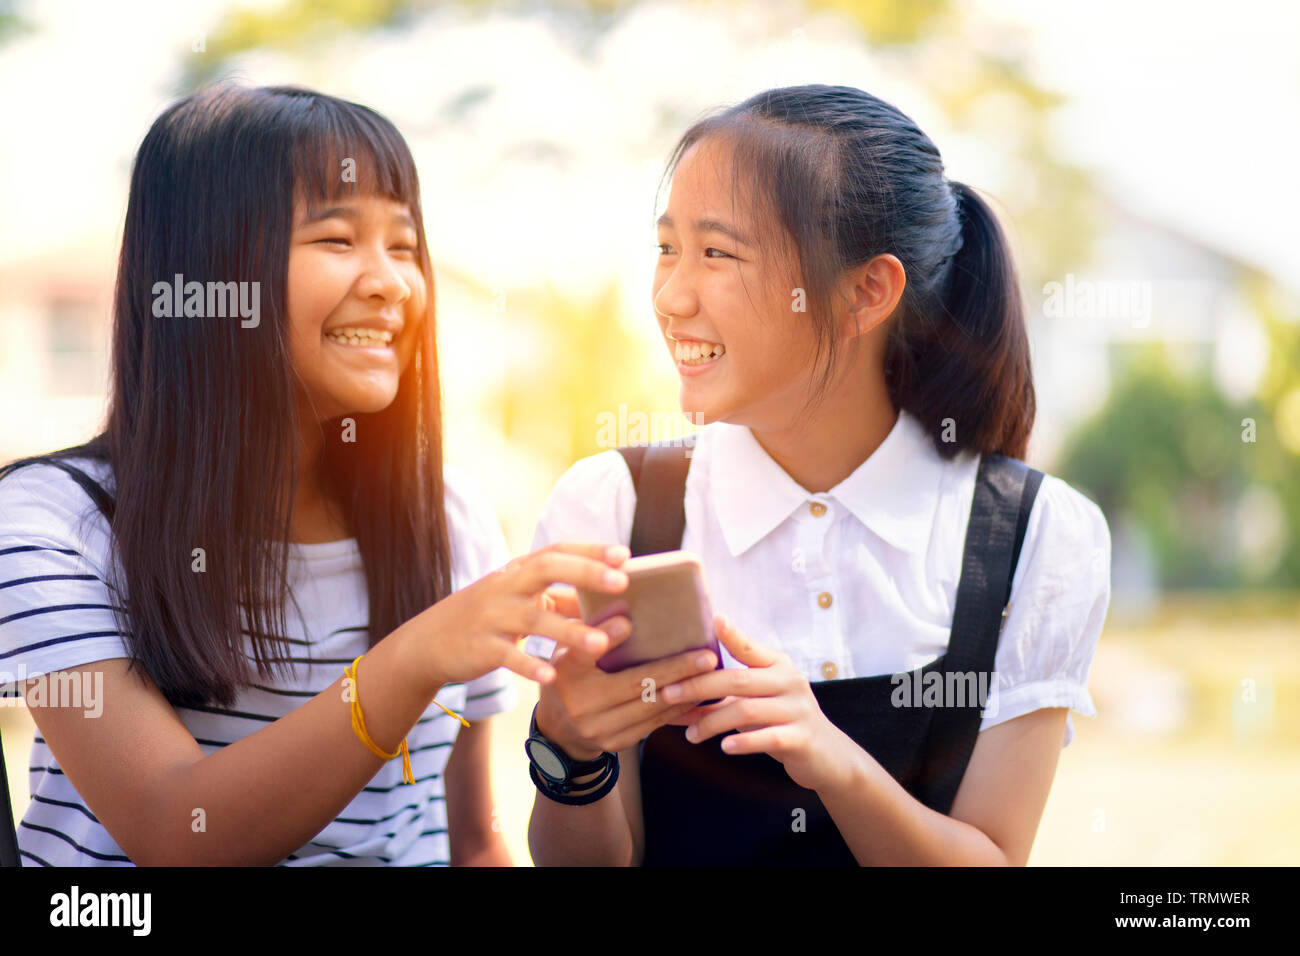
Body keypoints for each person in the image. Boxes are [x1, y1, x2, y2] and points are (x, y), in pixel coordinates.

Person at [0, 83, 629, 866]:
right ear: (213, 272)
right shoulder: (52, 524)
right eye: (337, 239)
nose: (392, 283)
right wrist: (414, 658)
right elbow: (176, 829)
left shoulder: (447, 516)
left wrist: (572, 743)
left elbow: (473, 843)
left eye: (404, 246)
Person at [523, 84, 1111, 866]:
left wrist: (833, 763)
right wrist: (567, 747)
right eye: (667, 248)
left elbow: (996, 856)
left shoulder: (1034, 534)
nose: (670, 297)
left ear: (867, 292)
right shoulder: (612, 508)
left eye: (717, 254)